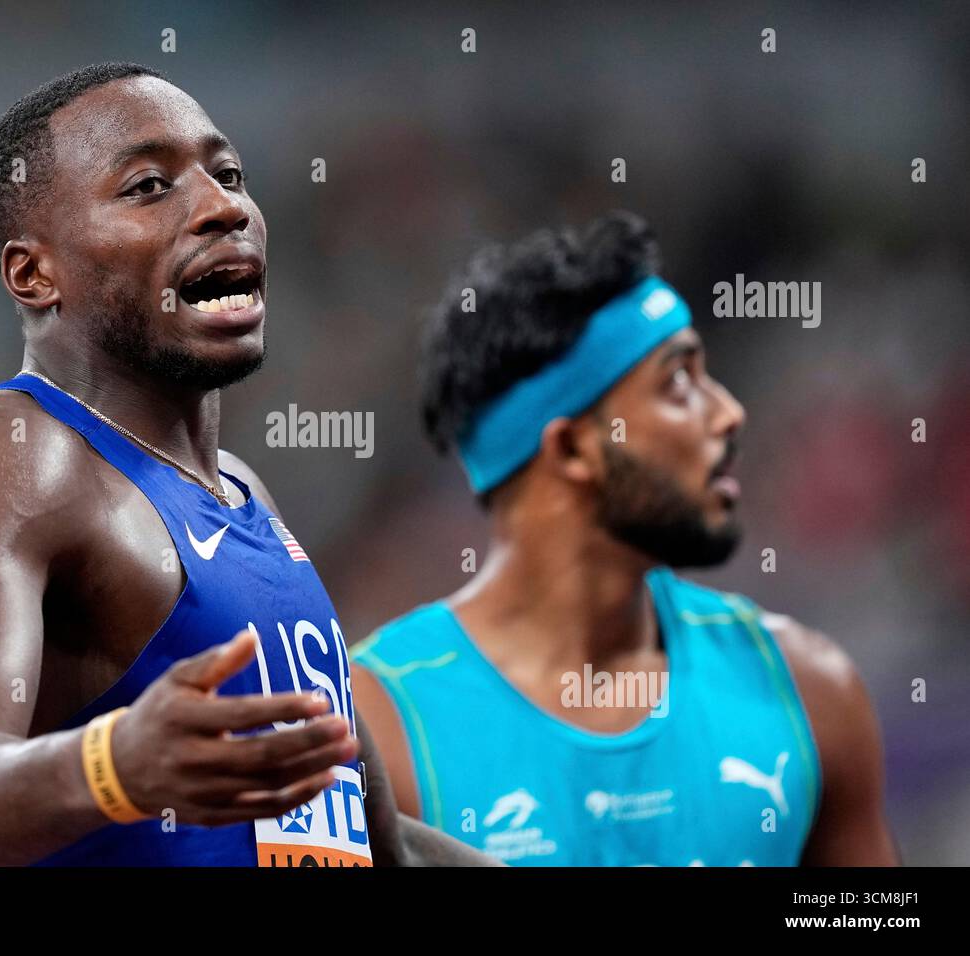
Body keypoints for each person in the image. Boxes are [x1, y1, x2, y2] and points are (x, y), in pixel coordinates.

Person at [0, 63, 494, 867]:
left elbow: (377, 846)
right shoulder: (17, 460)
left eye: (229, 174)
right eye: (147, 186)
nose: (224, 206)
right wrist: (112, 767)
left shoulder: (246, 496)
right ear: (35, 273)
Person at [351, 212, 900, 865]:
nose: (729, 412)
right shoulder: (376, 726)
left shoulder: (810, 690)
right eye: (678, 383)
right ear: (576, 448)